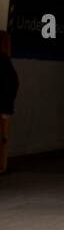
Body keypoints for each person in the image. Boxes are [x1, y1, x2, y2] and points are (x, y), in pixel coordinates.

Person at [0, 31, 17, 175]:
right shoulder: (4, 61)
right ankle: (2, 165)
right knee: (2, 138)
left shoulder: (4, 61)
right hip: (3, 105)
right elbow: (12, 83)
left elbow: (11, 83)